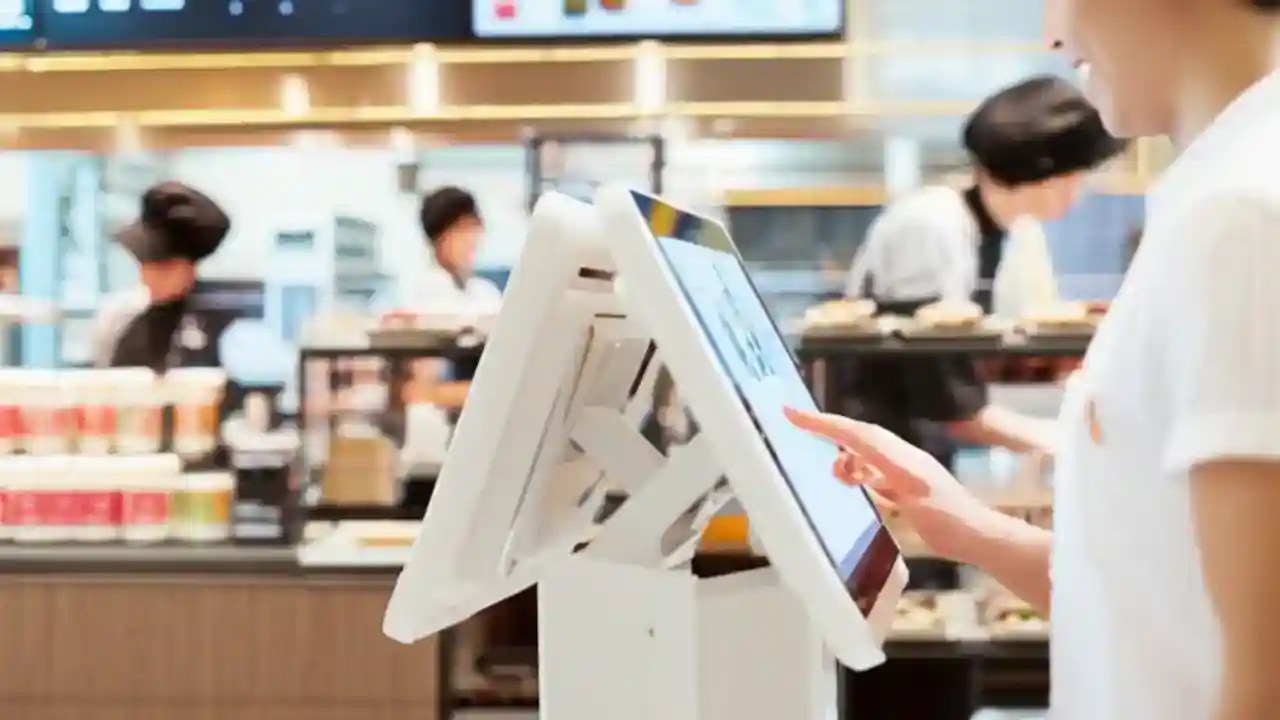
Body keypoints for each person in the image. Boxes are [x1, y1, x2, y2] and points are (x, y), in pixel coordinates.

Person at [789, 2, 1280, 717]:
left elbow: (1263, 678)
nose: (1052, 34)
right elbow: (1160, 601)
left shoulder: (1240, 219)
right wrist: (969, 527)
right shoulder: (1221, 203)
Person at [841, 76, 1127, 468]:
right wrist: (1060, 441)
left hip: (906, 449)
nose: (1079, 191)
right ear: (1043, 172)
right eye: (1076, 175)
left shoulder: (982, 225)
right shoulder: (933, 224)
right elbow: (943, 394)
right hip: (872, 455)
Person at [92, 181, 231, 371]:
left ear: (188, 270)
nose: (147, 277)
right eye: (144, 264)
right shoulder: (120, 317)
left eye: (161, 268)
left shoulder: (215, 324)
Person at [396, 186, 502, 410]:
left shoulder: (485, 292)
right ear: (437, 239)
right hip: (444, 409)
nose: (469, 238)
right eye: (459, 230)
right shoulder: (422, 293)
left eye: (473, 227)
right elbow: (419, 389)